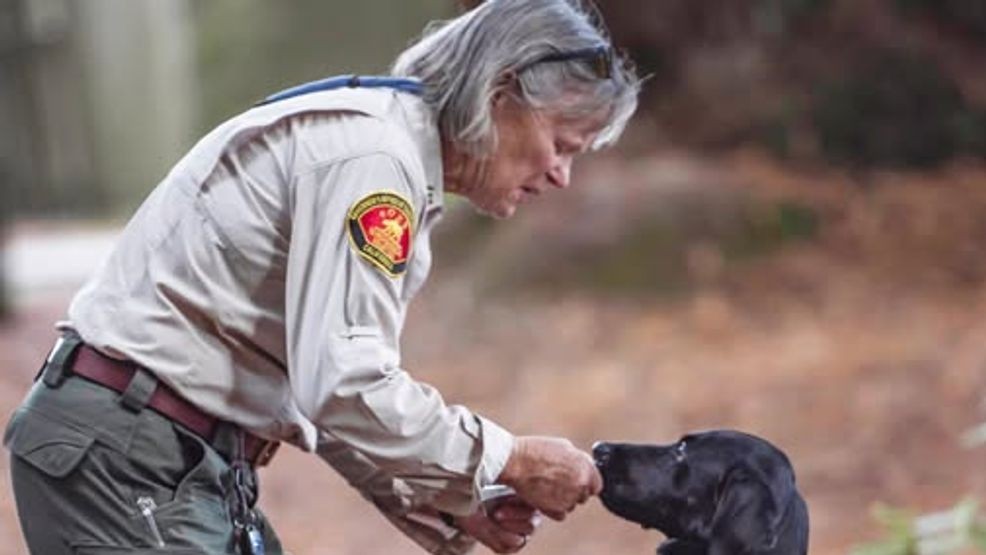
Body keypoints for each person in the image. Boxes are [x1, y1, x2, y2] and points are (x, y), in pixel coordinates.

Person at [3, 0, 639, 553]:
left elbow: (319, 389)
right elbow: (344, 383)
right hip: (129, 457)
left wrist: (450, 496)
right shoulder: (373, 160)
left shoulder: (385, 150)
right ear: (500, 91)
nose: (561, 176)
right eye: (562, 144)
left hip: (167, 456)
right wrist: (509, 457)